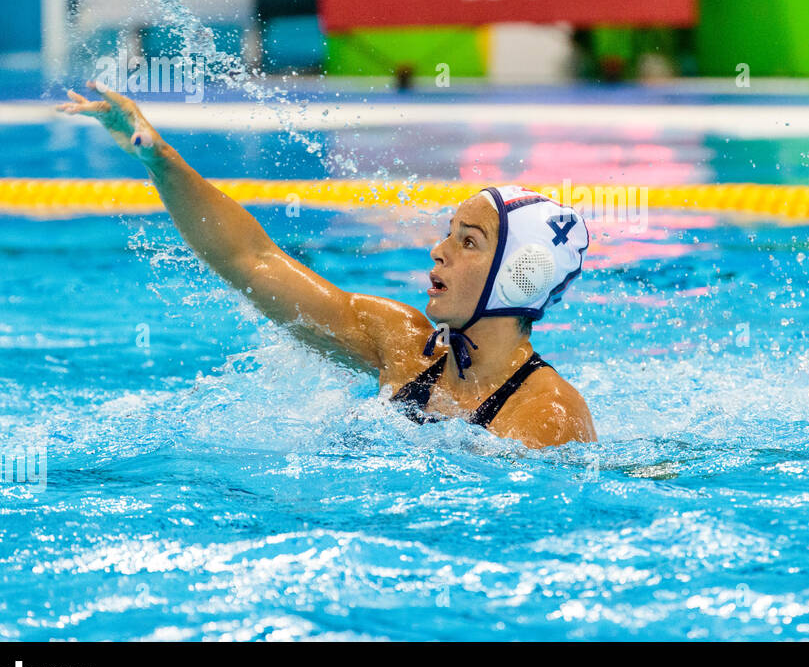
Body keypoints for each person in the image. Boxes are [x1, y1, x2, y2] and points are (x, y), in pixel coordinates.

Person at [57, 82, 596, 448]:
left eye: (469, 243)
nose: (439, 251)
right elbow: (252, 259)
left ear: (517, 277)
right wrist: (158, 157)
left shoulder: (546, 417)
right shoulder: (403, 344)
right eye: (448, 233)